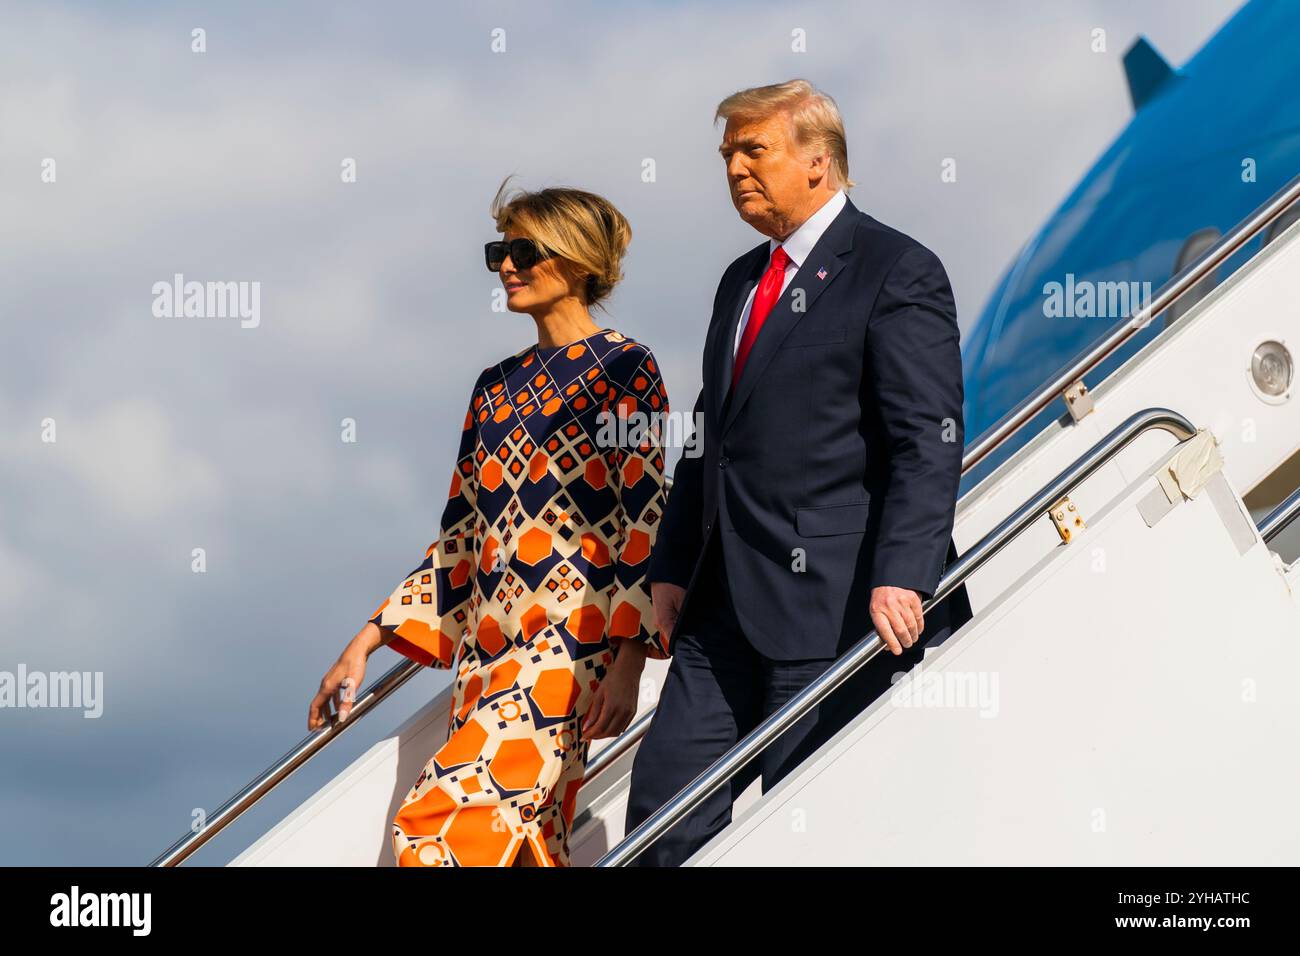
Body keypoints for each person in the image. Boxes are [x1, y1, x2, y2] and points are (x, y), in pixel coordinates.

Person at [624, 79, 973, 866]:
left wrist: (905, 574)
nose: (735, 169)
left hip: (838, 608)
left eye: (755, 151)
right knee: (660, 817)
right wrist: (673, 566)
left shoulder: (896, 268)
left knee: (808, 829)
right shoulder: (741, 281)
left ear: (819, 161)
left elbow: (929, 438)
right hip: (719, 611)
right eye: (727, 156)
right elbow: (709, 436)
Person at [310, 179, 671, 867]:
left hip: (570, 651)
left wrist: (628, 662)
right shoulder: (493, 386)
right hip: (488, 653)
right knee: (530, 842)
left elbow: (645, 515)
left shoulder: (628, 369)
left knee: (436, 825)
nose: (507, 265)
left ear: (577, 259)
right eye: (499, 251)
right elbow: (460, 536)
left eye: (524, 251)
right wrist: (366, 640)